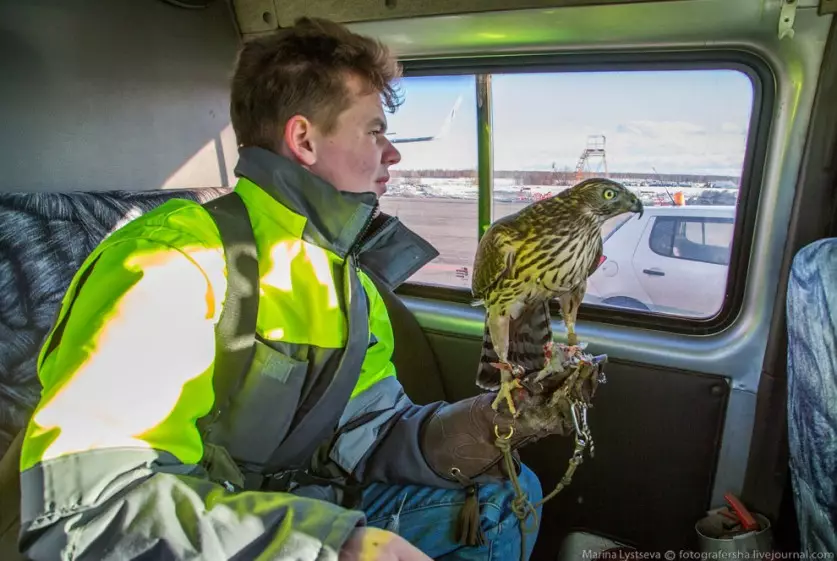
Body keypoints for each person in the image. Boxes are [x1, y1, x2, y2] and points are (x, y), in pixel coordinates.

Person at [16, 17, 570, 561]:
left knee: (501, 496)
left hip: (286, 505)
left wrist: (492, 420)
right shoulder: (176, 263)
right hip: (211, 530)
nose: (393, 153)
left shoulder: (346, 278)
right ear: (303, 139)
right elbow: (86, 514)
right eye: (375, 130)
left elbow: (369, 434)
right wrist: (326, 544)